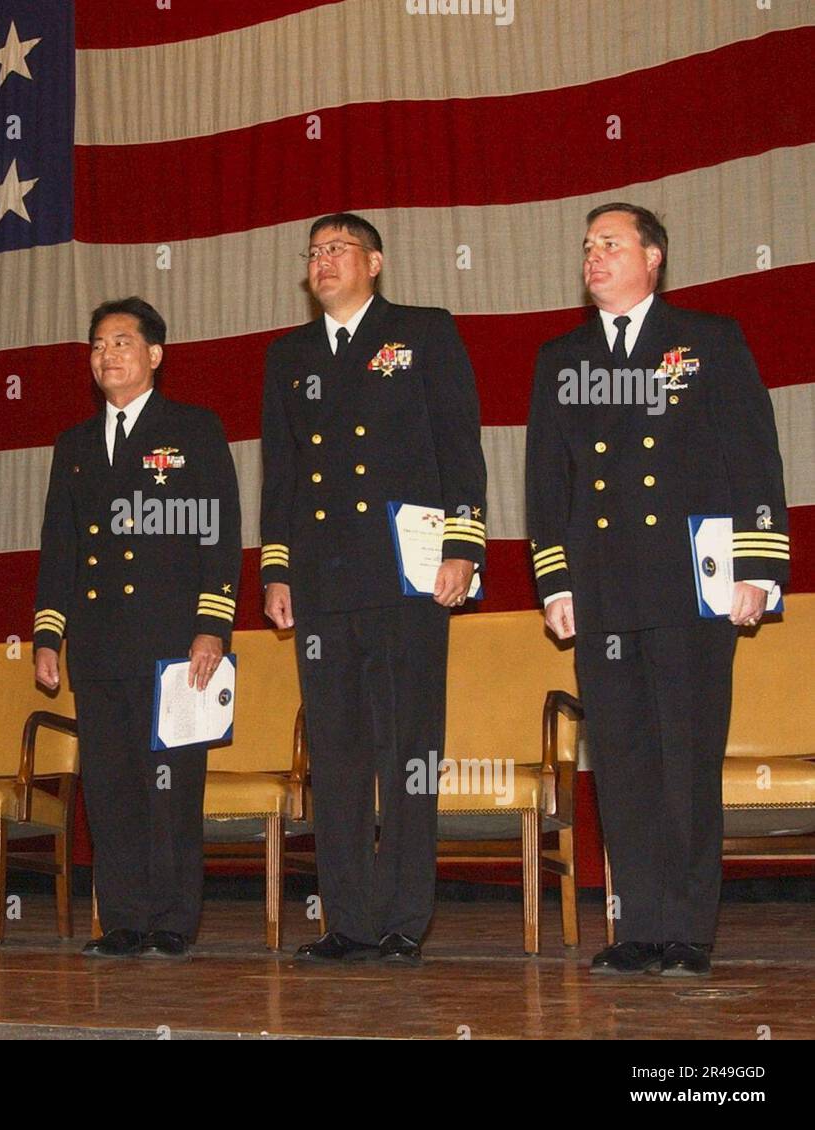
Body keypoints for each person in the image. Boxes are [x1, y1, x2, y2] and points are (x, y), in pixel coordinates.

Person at [525, 203, 789, 977]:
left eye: (610, 243)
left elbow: (754, 458)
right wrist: (555, 580)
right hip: (603, 588)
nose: (593, 256)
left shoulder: (707, 340)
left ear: (653, 258)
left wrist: (759, 566)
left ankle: (688, 929)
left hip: (689, 584)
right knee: (626, 761)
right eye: (587, 246)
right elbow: (548, 481)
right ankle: (637, 926)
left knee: (685, 755)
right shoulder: (561, 357)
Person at [261, 213, 486, 964]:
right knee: (339, 752)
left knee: (407, 748)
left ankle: (403, 918)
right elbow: (283, 475)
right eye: (315, 252)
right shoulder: (288, 355)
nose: (324, 262)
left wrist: (463, 546)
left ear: (375, 262)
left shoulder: (422, 331)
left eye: (339, 250)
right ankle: (347, 919)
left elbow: (460, 446)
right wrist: (277, 568)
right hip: (323, 580)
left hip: (407, 577)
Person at [33, 297, 241, 960]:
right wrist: (47, 634)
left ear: (154, 355)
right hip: (96, 641)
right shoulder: (73, 444)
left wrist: (213, 625)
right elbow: (59, 546)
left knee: (171, 785)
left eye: (122, 342)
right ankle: (120, 918)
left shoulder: (194, 429)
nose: (107, 355)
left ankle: (174, 918)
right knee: (111, 784)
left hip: (173, 644)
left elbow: (220, 533)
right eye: (98, 344)